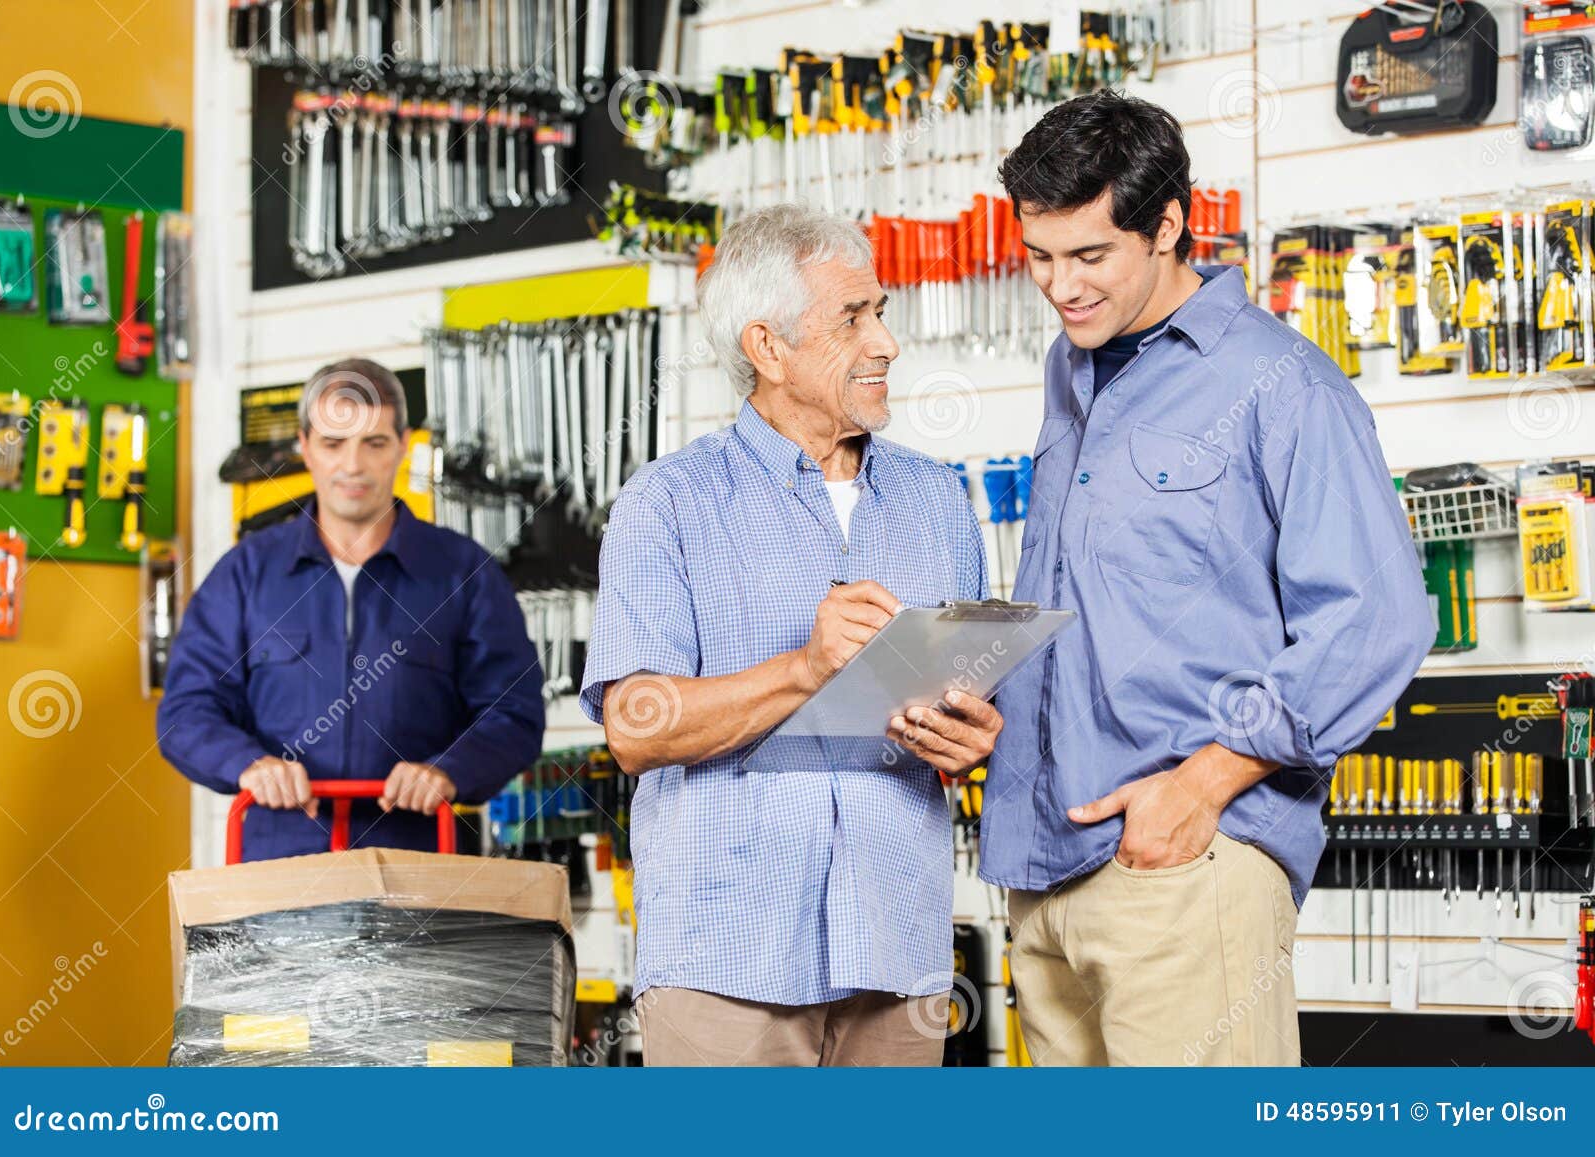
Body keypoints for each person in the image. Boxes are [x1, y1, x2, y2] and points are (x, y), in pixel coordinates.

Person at [981, 92, 1434, 1065]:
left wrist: (1203, 785)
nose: (1060, 287)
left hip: (1183, 860)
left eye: (1088, 255)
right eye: (1039, 256)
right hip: (1042, 868)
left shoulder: (1281, 384)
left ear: (1169, 225)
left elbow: (1378, 616)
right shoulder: (1074, 371)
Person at [581, 204, 1002, 1066]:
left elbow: (969, 701)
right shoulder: (669, 505)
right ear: (767, 348)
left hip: (898, 950)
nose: (885, 342)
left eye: (880, 311)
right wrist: (806, 667)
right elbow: (634, 727)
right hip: (727, 960)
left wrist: (972, 738)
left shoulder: (937, 500)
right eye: (853, 318)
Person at [158, 358, 545, 859]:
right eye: (333, 443)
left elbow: (513, 712)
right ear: (305, 447)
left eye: (375, 443)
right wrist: (249, 764)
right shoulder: (245, 574)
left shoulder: (463, 573)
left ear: (404, 444)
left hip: (420, 873)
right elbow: (185, 711)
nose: (353, 466)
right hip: (280, 875)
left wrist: (449, 768)